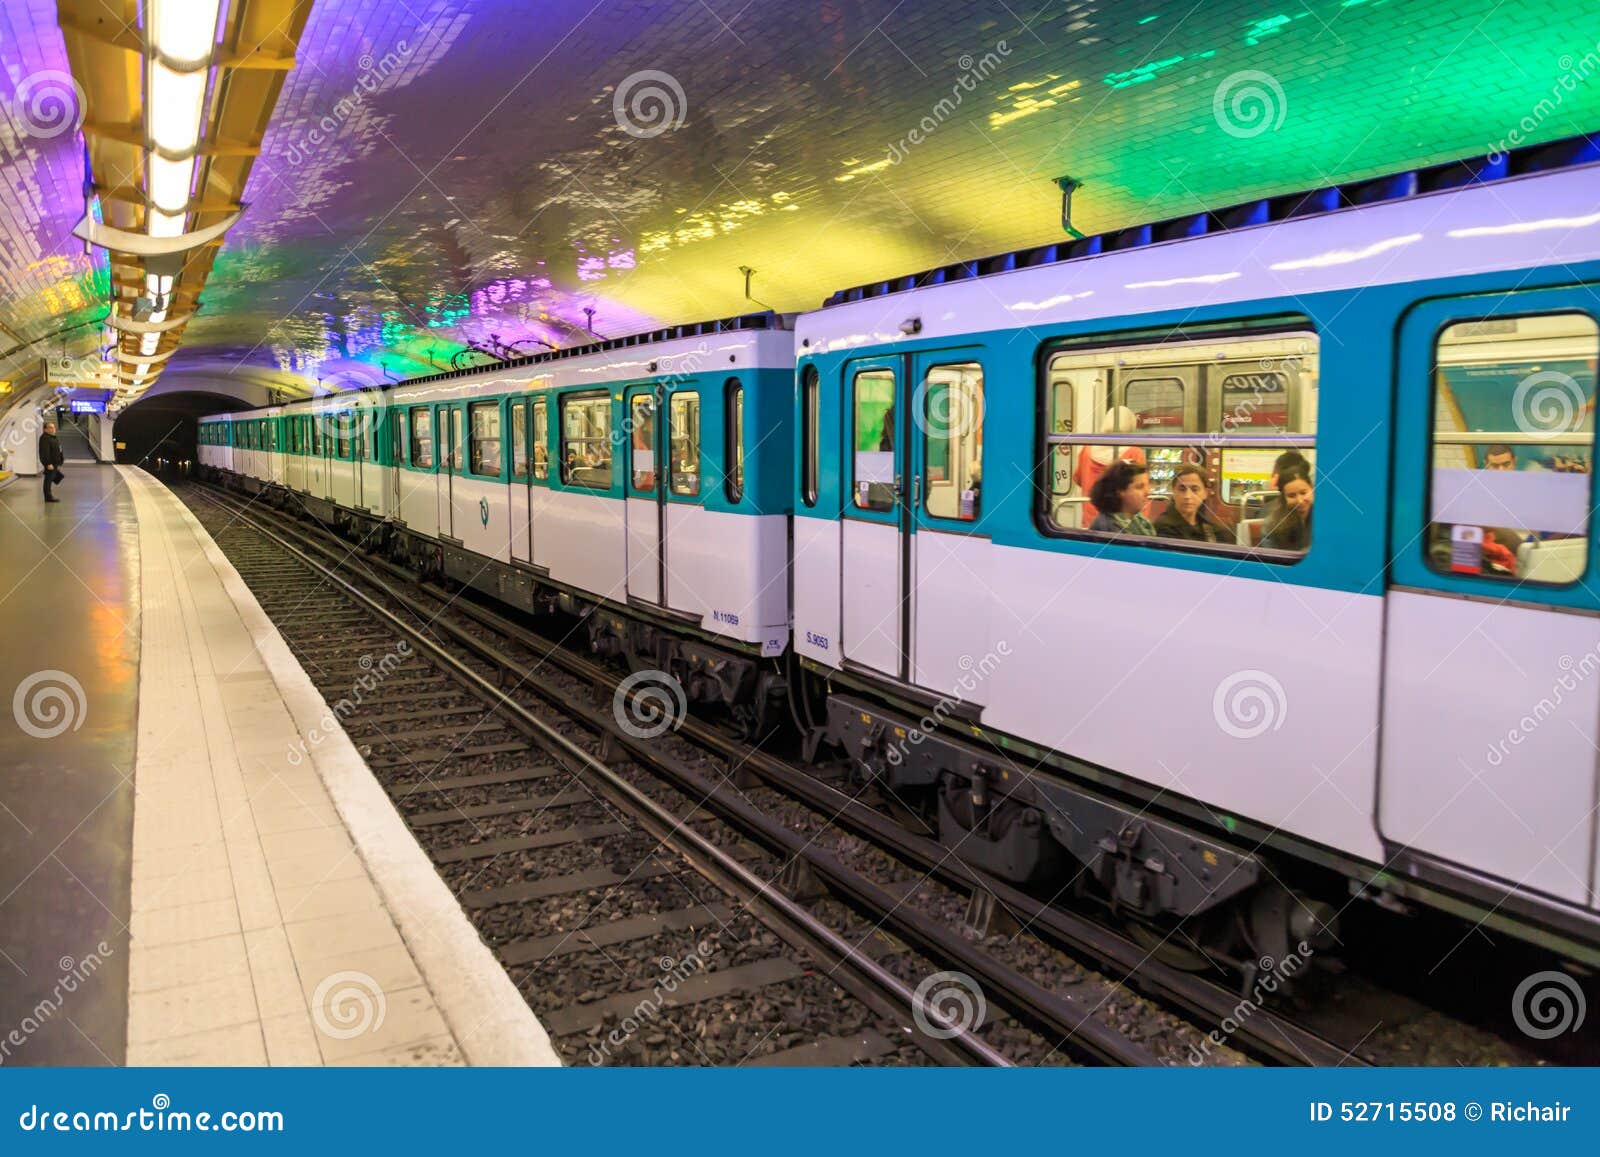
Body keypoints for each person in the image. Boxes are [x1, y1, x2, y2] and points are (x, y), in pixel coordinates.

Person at [1074, 405, 1145, 526]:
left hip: (1090, 520)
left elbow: (1078, 479)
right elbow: (1141, 486)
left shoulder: (1087, 449)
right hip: (1122, 522)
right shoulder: (1135, 452)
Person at [1154, 463, 1220, 543]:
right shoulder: (1164, 528)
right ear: (1173, 491)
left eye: (1194, 489)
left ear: (1205, 493)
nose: (1188, 496)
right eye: (1182, 489)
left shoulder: (1211, 529)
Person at [1087, 460, 1155, 535]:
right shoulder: (1108, 527)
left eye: (1147, 486)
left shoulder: (1142, 522)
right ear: (1120, 491)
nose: (1147, 492)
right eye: (1139, 487)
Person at [1261, 466, 1312, 550]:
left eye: (1303, 493)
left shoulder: (1326, 518)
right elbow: (1271, 560)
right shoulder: (1271, 525)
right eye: (1291, 496)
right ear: (1283, 499)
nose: (1299, 501)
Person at [38, 422, 64, 503]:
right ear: (45, 429)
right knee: (48, 480)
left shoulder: (53, 437)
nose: (53, 429)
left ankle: (48, 496)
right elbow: (44, 452)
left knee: (55, 477)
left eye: (53, 427)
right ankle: (48, 497)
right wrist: (47, 463)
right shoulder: (44, 438)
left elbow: (58, 449)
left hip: (55, 462)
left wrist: (61, 458)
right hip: (50, 463)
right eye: (50, 427)